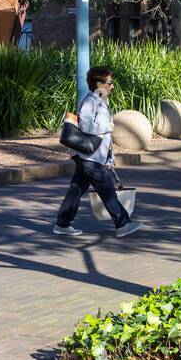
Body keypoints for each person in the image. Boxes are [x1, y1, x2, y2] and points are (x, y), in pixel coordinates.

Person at [53, 65, 143, 238]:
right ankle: (123, 223)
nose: (112, 86)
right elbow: (86, 125)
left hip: (92, 155)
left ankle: (62, 224)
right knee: (106, 188)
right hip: (88, 156)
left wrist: (109, 157)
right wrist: (107, 126)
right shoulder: (90, 101)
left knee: (76, 189)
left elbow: (104, 138)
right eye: (109, 83)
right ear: (99, 84)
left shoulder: (99, 100)